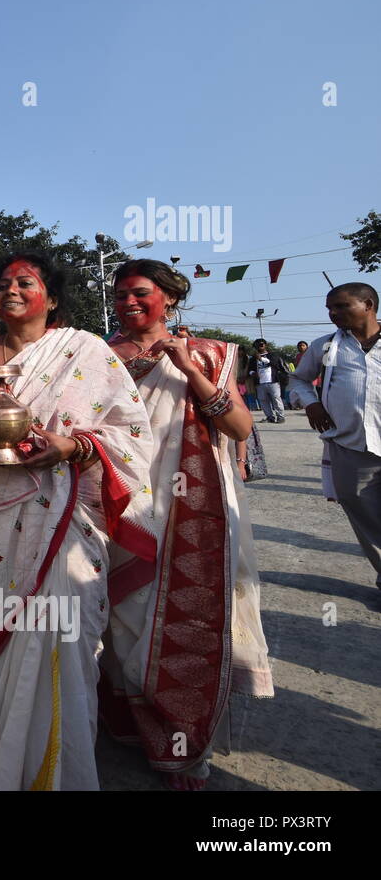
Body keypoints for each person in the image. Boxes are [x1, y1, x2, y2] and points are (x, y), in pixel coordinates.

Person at [0, 252, 158, 790]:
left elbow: (131, 436)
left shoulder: (85, 351)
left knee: (61, 634)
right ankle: (0, 762)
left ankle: (59, 774)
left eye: (25, 283)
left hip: (65, 518)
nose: (10, 290)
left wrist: (73, 446)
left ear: (51, 299)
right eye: (3, 283)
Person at [103, 260, 273, 791]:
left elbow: (240, 425)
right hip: (121, 504)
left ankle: (182, 744)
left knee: (183, 618)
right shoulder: (98, 358)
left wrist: (188, 370)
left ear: (171, 297)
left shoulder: (208, 354)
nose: (128, 303)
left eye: (140, 293)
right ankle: (131, 726)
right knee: (121, 619)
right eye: (120, 294)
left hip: (190, 508)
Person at [289, 283, 381, 593]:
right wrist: (311, 402)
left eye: (341, 306)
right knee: (367, 519)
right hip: (350, 446)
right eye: (330, 308)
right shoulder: (325, 346)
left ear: (368, 305)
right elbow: (299, 379)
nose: (333, 313)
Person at [246, 339, 289, 424]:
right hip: (260, 383)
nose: (260, 346)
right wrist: (253, 373)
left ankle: (280, 416)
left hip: (273, 381)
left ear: (265, 345)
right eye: (258, 344)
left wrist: (262, 359)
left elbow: (275, 364)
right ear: (255, 346)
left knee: (276, 399)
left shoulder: (272, 355)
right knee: (263, 400)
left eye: (262, 344)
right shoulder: (253, 358)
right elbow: (250, 370)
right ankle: (270, 417)